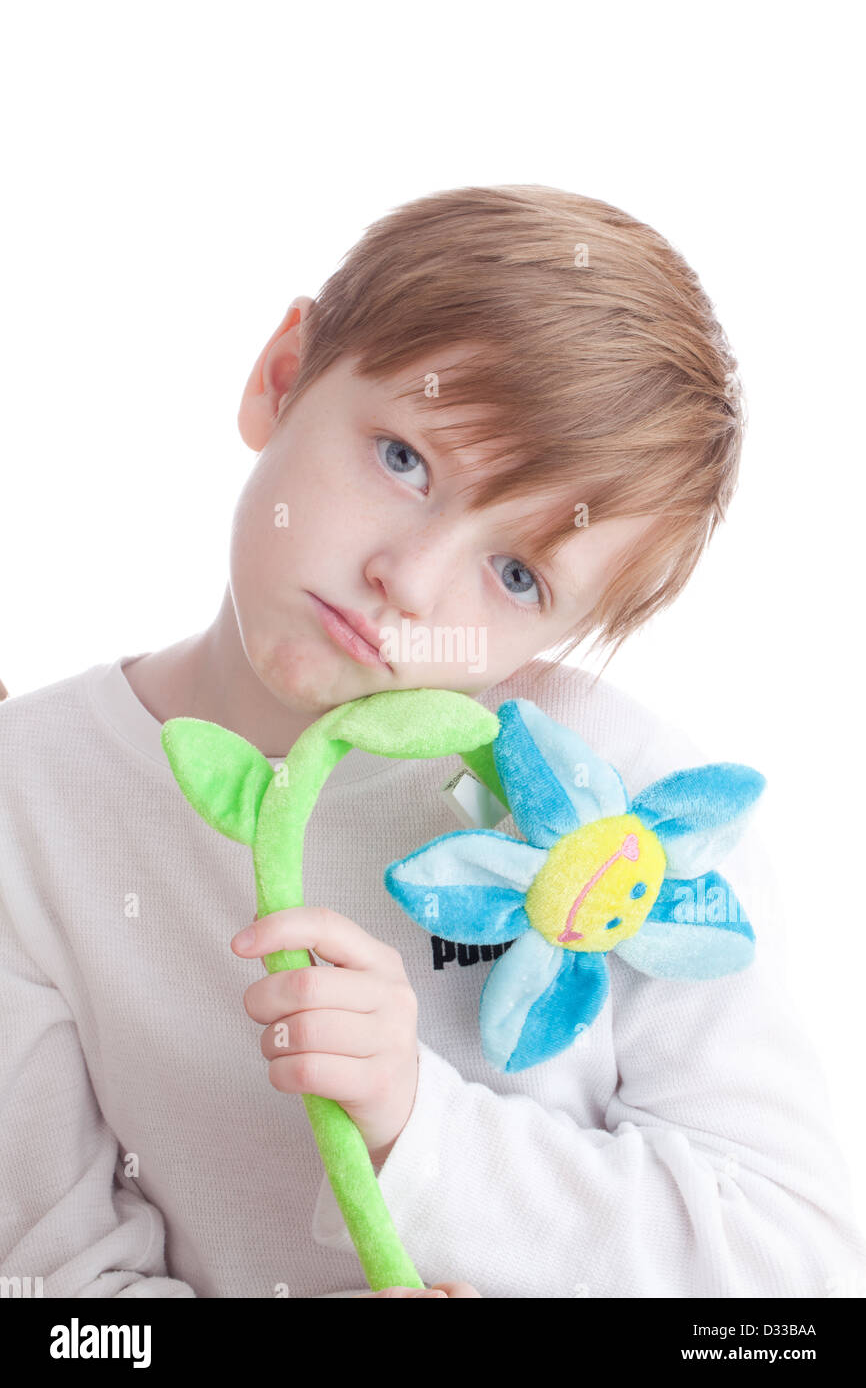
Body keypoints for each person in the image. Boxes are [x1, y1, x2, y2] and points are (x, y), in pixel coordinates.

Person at [2, 185, 864, 1300]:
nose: (407, 582)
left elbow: (792, 1287)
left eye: (515, 575)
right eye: (402, 459)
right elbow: (56, 1296)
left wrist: (422, 1125)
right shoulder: (29, 792)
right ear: (281, 376)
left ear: (562, 633)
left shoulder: (633, 799)